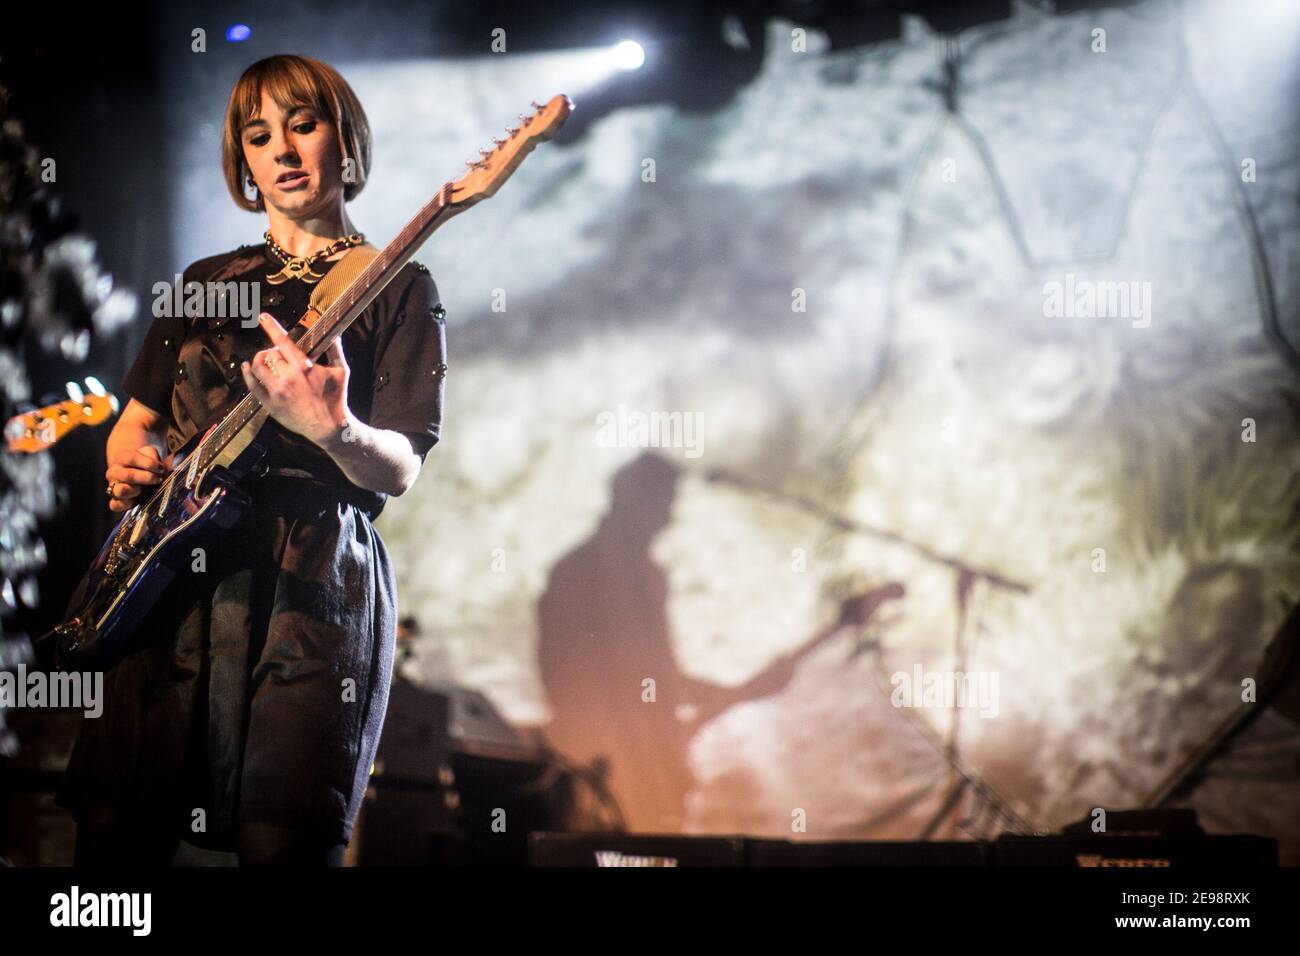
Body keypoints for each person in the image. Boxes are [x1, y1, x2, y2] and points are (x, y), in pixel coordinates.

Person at [54, 53, 448, 866]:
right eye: (260, 134)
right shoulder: (205, 282)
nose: (284, 149)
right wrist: (128, 464)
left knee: (284, 843)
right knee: (114, 837)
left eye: (304, 125)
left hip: (310, 581)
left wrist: (332, 428)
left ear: (347, 142)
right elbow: (135, 424)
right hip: (171, 572)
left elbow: (401, 466)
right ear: (243, 160)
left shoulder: (398, 285)